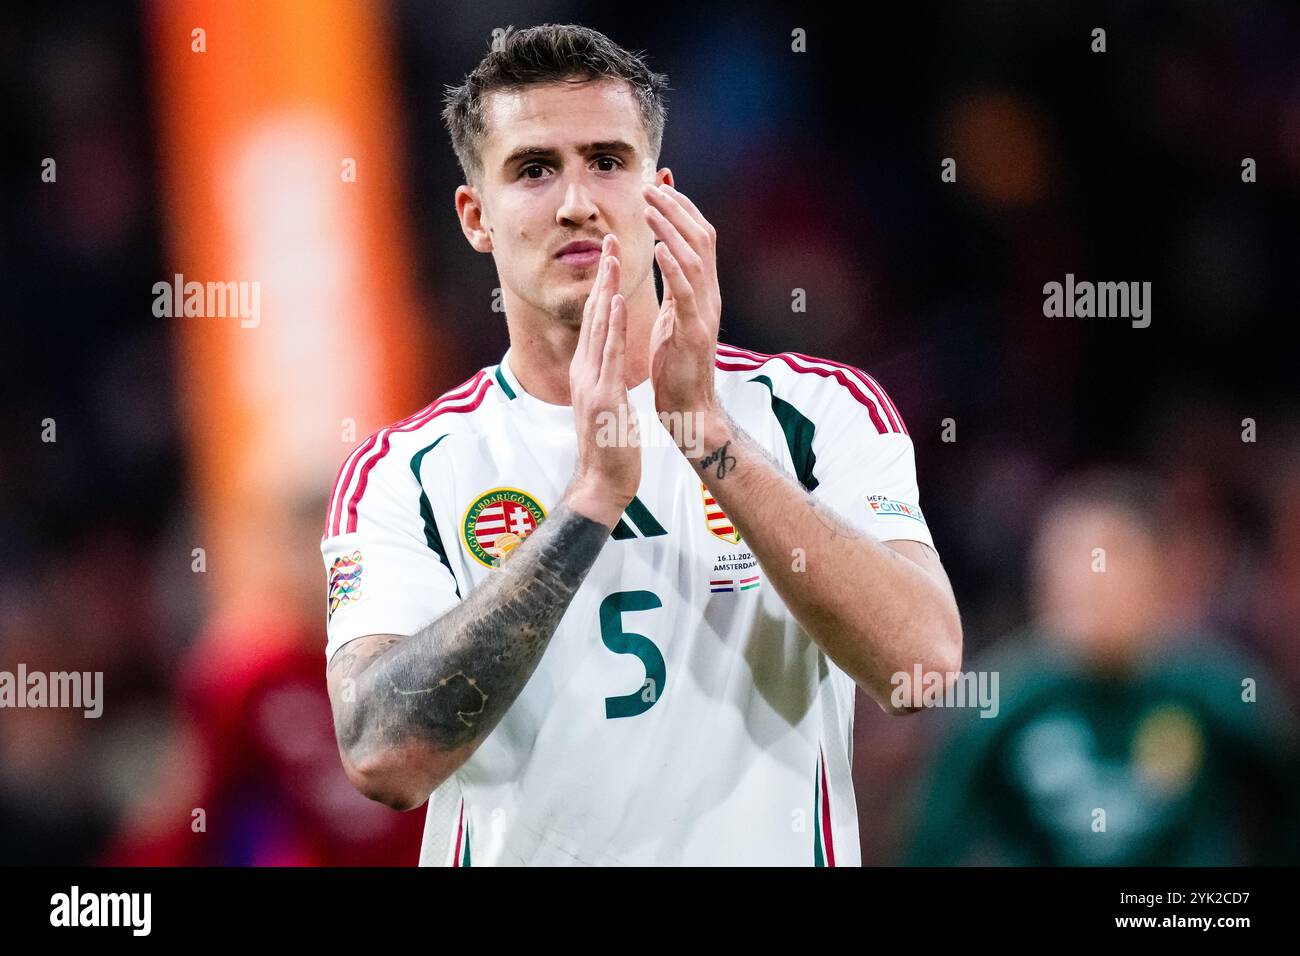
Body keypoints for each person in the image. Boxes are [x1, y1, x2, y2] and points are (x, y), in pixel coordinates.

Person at [320, 23, 960, 865]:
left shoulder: (815, 410)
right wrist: (588, 507)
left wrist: (710, 439)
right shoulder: (409, 471)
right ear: (475, 217)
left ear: (660, 193)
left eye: (607, 161)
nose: (577, 200)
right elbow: (383, 756)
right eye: (533, 169)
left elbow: (922, 668)